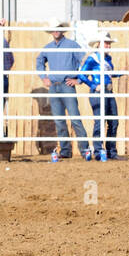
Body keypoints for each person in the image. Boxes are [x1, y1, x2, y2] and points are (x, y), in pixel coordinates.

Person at [35, 21, 86, 159]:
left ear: (62, 30)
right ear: (51, 32)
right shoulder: (48, 48)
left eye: (58, 28)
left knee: (75, 119)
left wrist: (79, 80)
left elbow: (85, 62)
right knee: (59, 120)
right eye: (53, 29)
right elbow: (39, 62)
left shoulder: (72, 45)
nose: (56, 31)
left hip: (67, 85)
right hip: (54, 86)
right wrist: (43, 77)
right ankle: (65, 151)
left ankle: (85, 150)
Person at [79, 30, 119, 161]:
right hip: (97, 92)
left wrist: (122, 73)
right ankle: (98, 150)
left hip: (108, 90)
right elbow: (81, 75)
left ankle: (111, 151)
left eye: (108, 43)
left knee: (113, 121)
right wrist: (93, 85)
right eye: (106, 43)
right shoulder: (93, 58)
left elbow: (109, 74)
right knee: (100, 121)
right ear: (99, 44)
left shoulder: (107, 59)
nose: (108, 46)